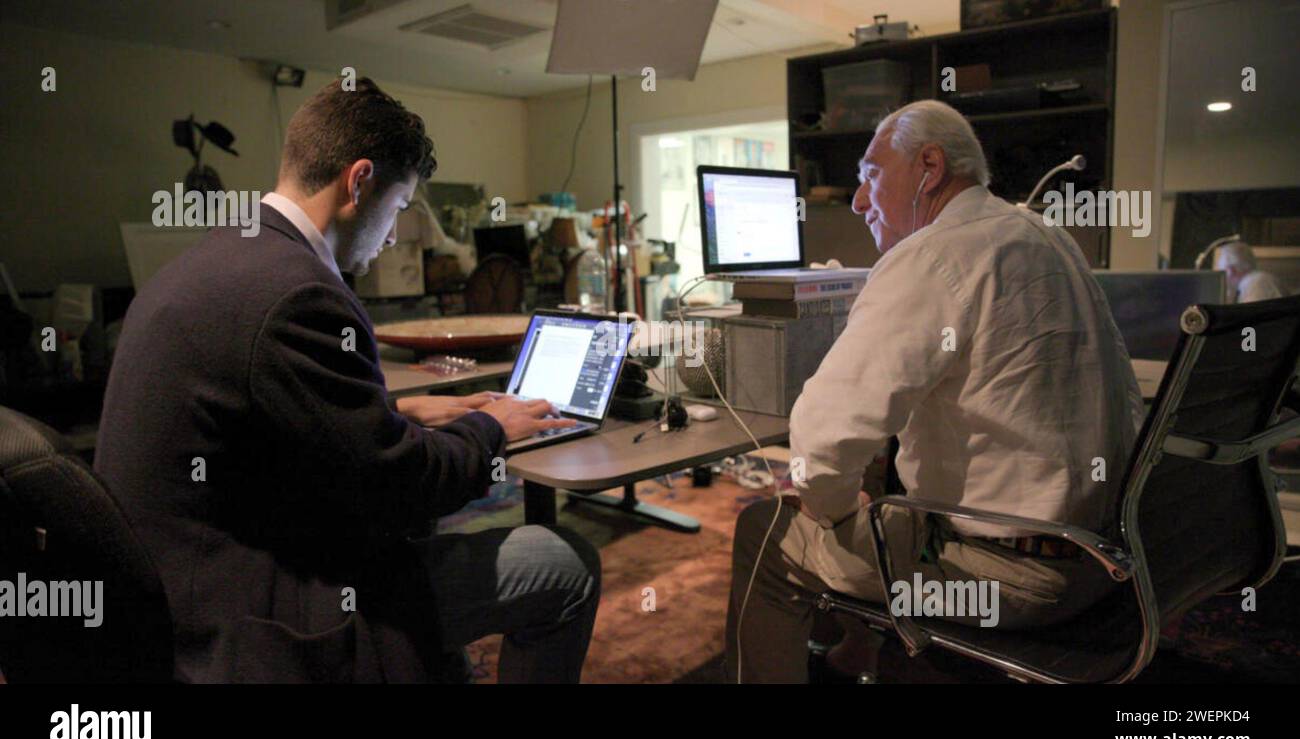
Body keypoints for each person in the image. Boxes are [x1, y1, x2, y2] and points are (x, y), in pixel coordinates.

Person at [96, 77, 599, 683]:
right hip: (244, 619)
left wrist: (404, 415)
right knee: (565, 563)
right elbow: (403, 489)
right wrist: (490, 425)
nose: (392, 236)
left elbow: (271, 424)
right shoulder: (300, 293)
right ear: (359, 181)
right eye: (399, 208)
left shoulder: (225, 255)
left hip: (172, 588)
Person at [724, 100, 1144, 683]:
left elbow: (821, 441)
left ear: (929, 165)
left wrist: (835, 509)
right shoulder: (1048, 236)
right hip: (1111, 560)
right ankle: (857, 653)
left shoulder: (933, 254)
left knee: (765, 531)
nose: (857, 200)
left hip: (1004, 579)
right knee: (875, 472)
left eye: (871, 173)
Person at [1215, 240, 1286, 303]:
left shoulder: (1255, 283)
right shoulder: (1253, 281)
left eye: (1222, 272)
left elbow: (1248, 316)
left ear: (1230, 270)